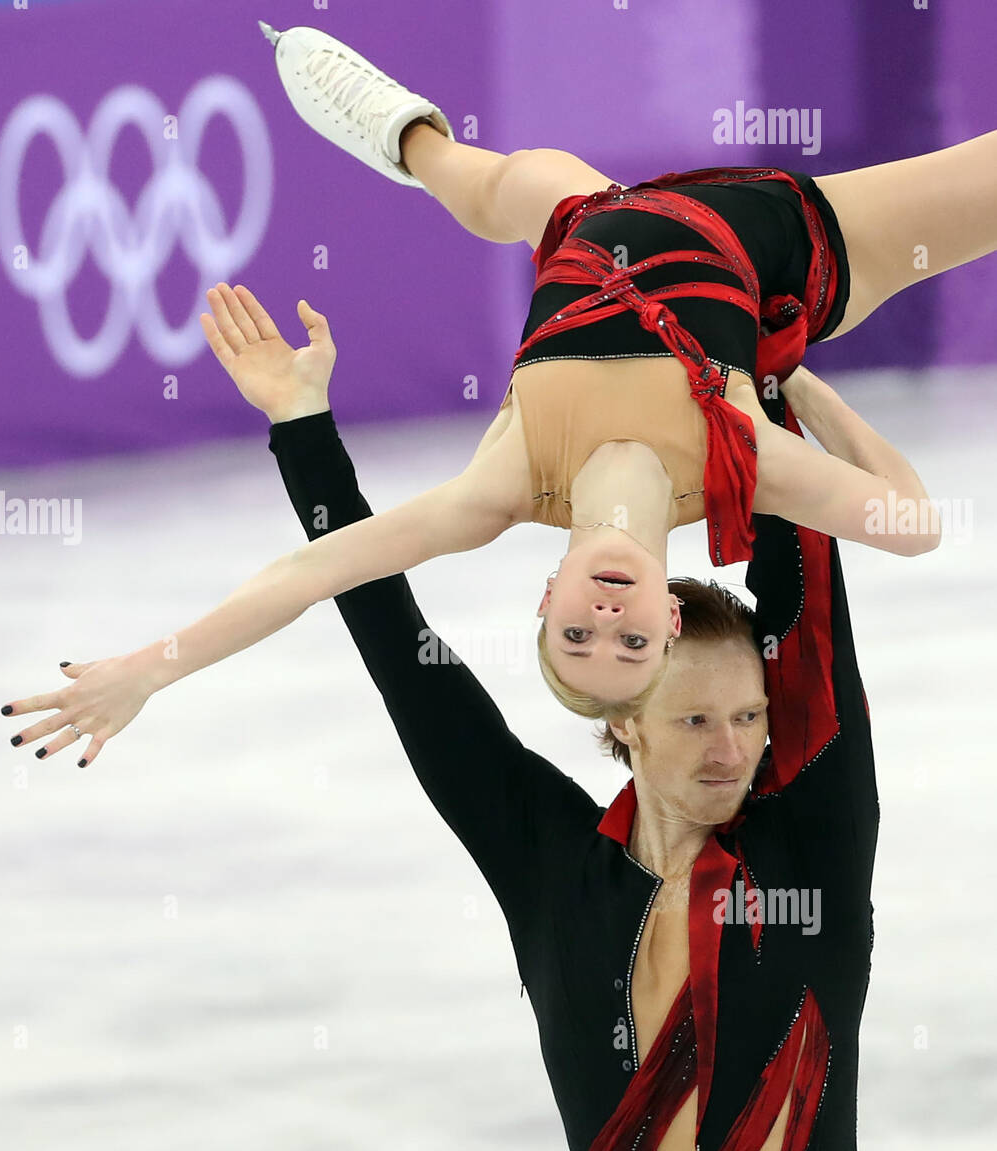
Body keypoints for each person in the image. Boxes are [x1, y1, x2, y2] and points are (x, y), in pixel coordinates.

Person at [2, 308, 890, 1151]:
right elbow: (399, 649)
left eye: (749, 716)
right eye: (693, 722)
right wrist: (303, 423)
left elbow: (808, 588)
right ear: (625, 720)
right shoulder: (549, 861)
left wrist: (759, 396)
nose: (732, 749)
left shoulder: (814, 840)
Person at [240, 22, 997, 716]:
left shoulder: (502, 488)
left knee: (504, 188)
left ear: (546, 599)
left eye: (575, 636)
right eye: (631, 644)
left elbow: (306, 574)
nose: (605, 624)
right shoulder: (742, 469)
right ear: (668, 619)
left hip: (584, 226)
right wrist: (801, 386)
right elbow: (915, 527)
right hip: (798, 252)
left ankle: (404, 136)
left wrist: (140, 674)